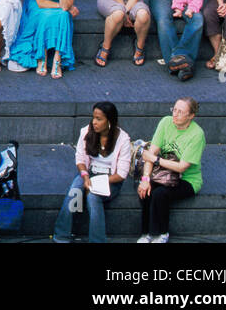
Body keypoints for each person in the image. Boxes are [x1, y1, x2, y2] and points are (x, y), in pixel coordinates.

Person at [53, 101, 132, 243]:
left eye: (99, 119)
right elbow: (80, 158)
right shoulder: (86, 131)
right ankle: (61, 237)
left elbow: (121, 174)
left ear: (110, 121)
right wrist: (85, 176)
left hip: (111, 179)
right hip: (88, 173)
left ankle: (97, 240)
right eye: (93, 117)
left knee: (92, 197)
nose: (94, 122)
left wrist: (96, 182)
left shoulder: (123, 139)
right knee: (75, 192)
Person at [137, 97, 205, 243]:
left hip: (187, 179)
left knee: (160, 194)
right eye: (174, 110)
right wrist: (145, 179)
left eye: (180, 112)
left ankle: (162, 233)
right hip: (164, 173)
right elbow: (151, 153)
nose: (175, 114)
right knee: (146, 190)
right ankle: (146, 233)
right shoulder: (166, 122)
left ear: (191, 116)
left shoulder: (197, 134)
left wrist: (156, 160)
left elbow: (182, 167)